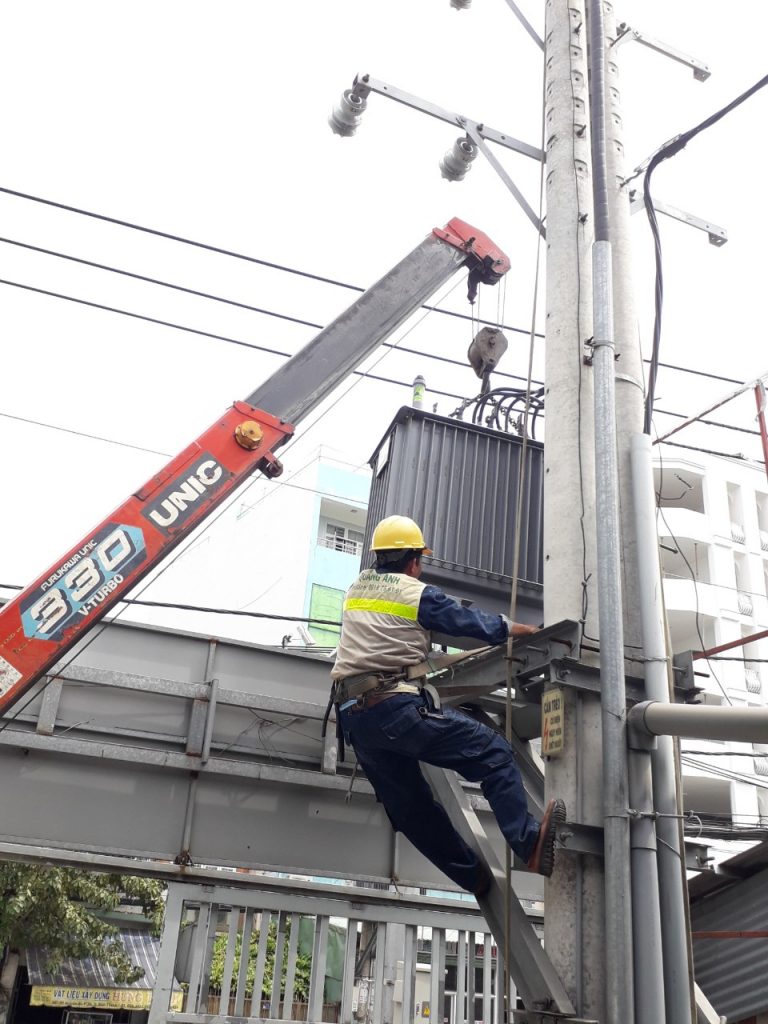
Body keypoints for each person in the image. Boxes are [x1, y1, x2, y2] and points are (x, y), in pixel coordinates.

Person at [330, 514, 565, 897]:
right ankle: (529, 845)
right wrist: (521, 630)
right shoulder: (414, 593)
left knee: (411, 809)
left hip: (353, 718)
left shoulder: (356, 588)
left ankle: (472, 877)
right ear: (413, 561)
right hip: (392, 708)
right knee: (493, 753)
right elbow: (466, 621)